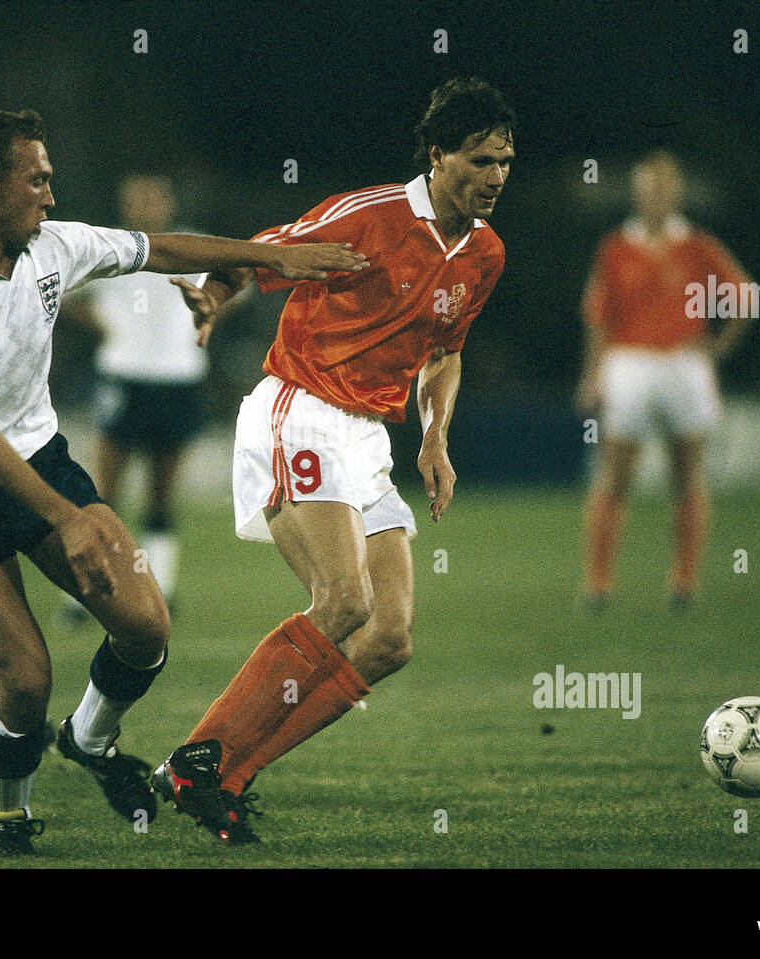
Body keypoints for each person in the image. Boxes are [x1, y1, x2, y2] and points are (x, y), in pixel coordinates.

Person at [0, 108, 365, 858]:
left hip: (40, 462)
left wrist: (274, 257)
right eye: (36, 179)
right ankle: (6, 815)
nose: (51, 195)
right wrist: (71, 519)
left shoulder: (54, 247)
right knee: (25, 678)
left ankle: (89, 737)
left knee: (146, 626)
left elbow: (160, 249)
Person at [152, 76, 513, 843]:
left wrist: (435, 435)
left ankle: (230, 774)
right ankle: (194, 757)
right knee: (343, 602)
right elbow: (261, 256)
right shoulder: (371, 215)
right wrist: (217, 295)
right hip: (301, 408)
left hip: (367, 437)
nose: (495, 176)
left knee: (388, 637)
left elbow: (446, 351)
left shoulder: (484, 253)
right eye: (481, 160)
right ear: (438, 154)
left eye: (506, 161)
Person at [575, 150, 754, 609]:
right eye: (648, 190)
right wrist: (591, 376)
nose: (655, 198)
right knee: (615, 474)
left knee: (686, 473)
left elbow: (745, 296)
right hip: (629, 363)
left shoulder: (696, 245)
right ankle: (598, 584)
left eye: (663, 190)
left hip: (682, 365)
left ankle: (683, 583)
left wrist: (717, 346)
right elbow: (599, 317)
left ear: (675, 195)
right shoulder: (616, 247)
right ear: (637, 195)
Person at [66, 174, 209, 612]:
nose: (146, 206)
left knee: (161, 494)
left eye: (153, 198)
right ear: (125, 203)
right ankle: (87, 592)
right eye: (138, 199)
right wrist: (106, 327)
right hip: (123, 375)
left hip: (178, 377)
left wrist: (209, 310)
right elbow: (65, 295)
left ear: (168, 201)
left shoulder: (191, 246)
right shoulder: (108, 247)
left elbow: (239, 280)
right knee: (102, 489)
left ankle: (160, 589)